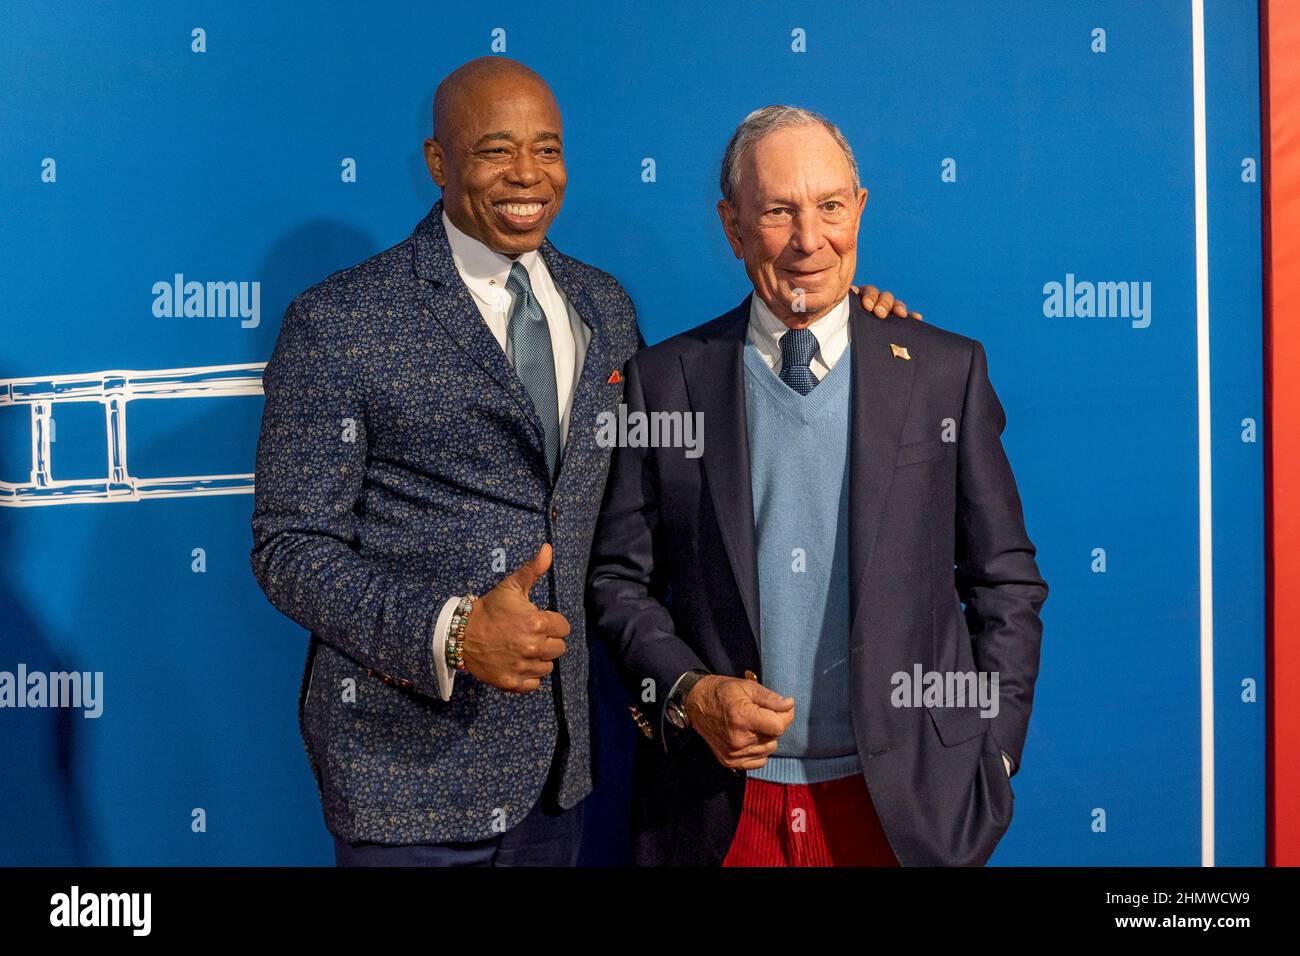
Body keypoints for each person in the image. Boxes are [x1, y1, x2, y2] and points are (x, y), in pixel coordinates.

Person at [251, 56, 919, 866]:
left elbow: (648, 513)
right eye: (496, 151)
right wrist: (452, 633)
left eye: (549, 149)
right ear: (439, 162)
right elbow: (290, 547)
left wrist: (850, 326)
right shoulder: (341, 319)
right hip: (406, 778)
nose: (527, 175)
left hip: (565, 772)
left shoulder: (603, 306)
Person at [587, 105, 1048, 866]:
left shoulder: (942, 372)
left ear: (859, 210)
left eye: (831, 206)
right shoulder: (664, 381)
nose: (810, 240)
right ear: (732, 227)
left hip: (903, 809)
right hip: (715, 813)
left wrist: (991, 756)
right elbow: (617, 579)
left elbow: (1006, 583)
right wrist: (689, 694)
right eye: (778, 212)